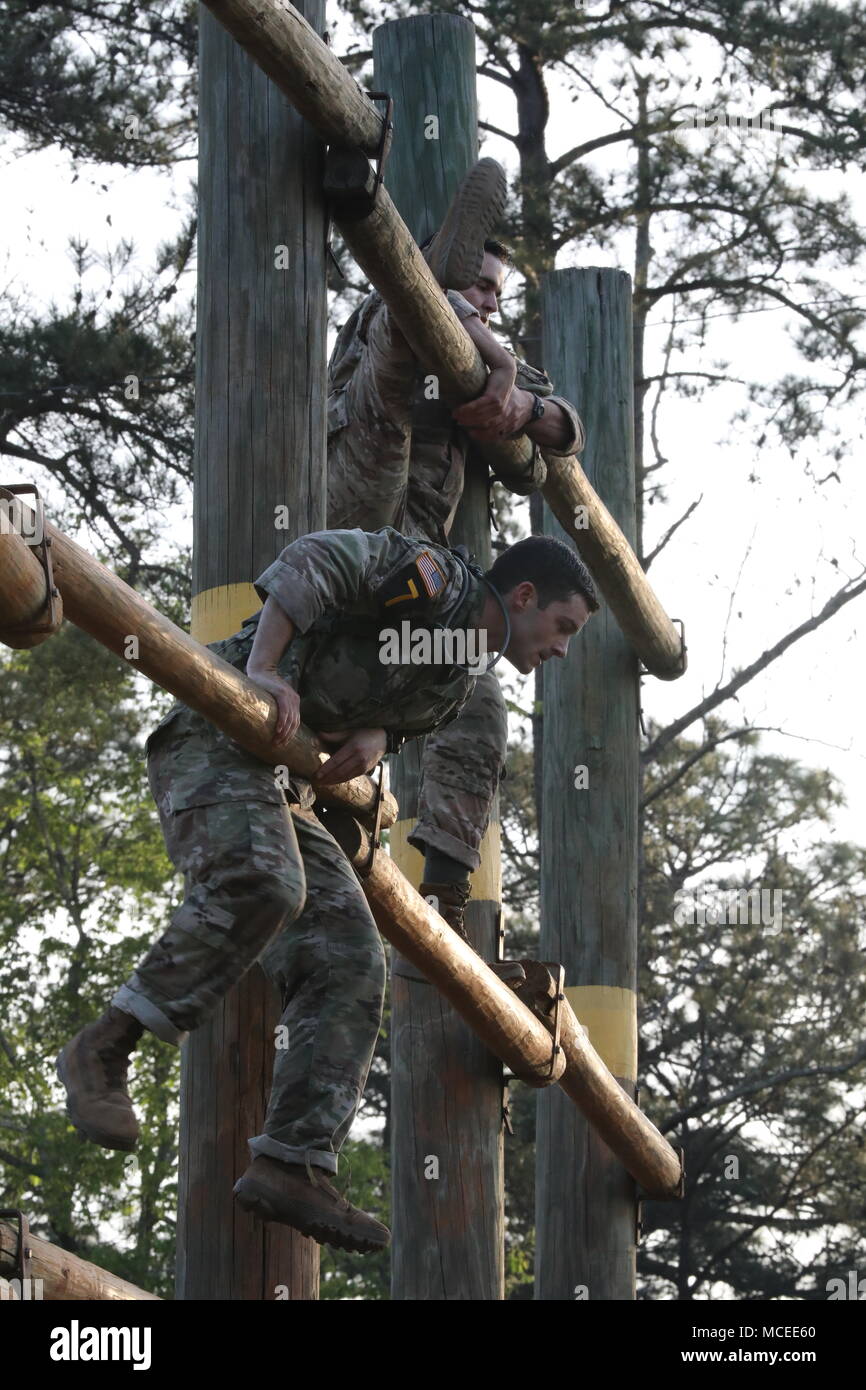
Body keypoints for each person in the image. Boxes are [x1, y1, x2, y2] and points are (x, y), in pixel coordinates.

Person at [56, 526, 598, 1254]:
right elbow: (317, 560)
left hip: (285, 783)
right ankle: (103, 1048)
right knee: (266, 881)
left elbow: (385, 694)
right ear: (525, 595)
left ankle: (291, 1162)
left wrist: (377, 735)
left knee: (351, 957)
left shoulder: (457, 678)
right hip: (219, 734)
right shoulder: (437, 585)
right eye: (562, 626)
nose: (561, 647)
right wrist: (266, 667)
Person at [327, 158, 587, 936]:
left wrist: (520, 404)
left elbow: (570, 427)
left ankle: (441, 884)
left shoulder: (489, 358)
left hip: (413, 569)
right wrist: (488, 359)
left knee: (478, 693)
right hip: (345, 519)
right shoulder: (376, 308)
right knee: (396, 385)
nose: (485, 300)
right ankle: (423, 288)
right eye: (473, 282)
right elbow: (420, 336)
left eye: (494, 296)